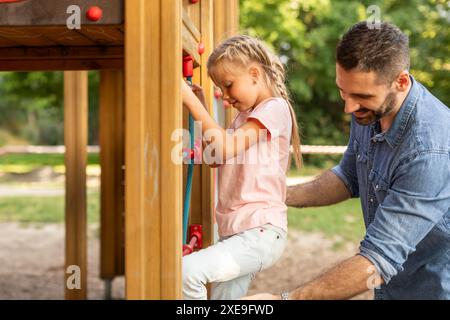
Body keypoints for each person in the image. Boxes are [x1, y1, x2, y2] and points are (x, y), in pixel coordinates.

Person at [244, 21, 450, 300]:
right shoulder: (368, 112)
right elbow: (348, 177)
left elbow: (379, 258)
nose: (349, 107)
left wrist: (289, 299)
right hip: (390, 287)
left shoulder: (430, 150)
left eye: (362, 96)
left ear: (400, 81)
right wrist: (279, 195)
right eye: (344, 91)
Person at [181, 34, 302, 300]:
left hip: (259, 231)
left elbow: (224, 148)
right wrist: (200, 107)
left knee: (186, 273)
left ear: (255, 74)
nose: (225, 96)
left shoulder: (274, 108)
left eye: (228, 85)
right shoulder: (243, 119)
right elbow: (216, 156)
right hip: (236, 233)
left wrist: (190, 104)